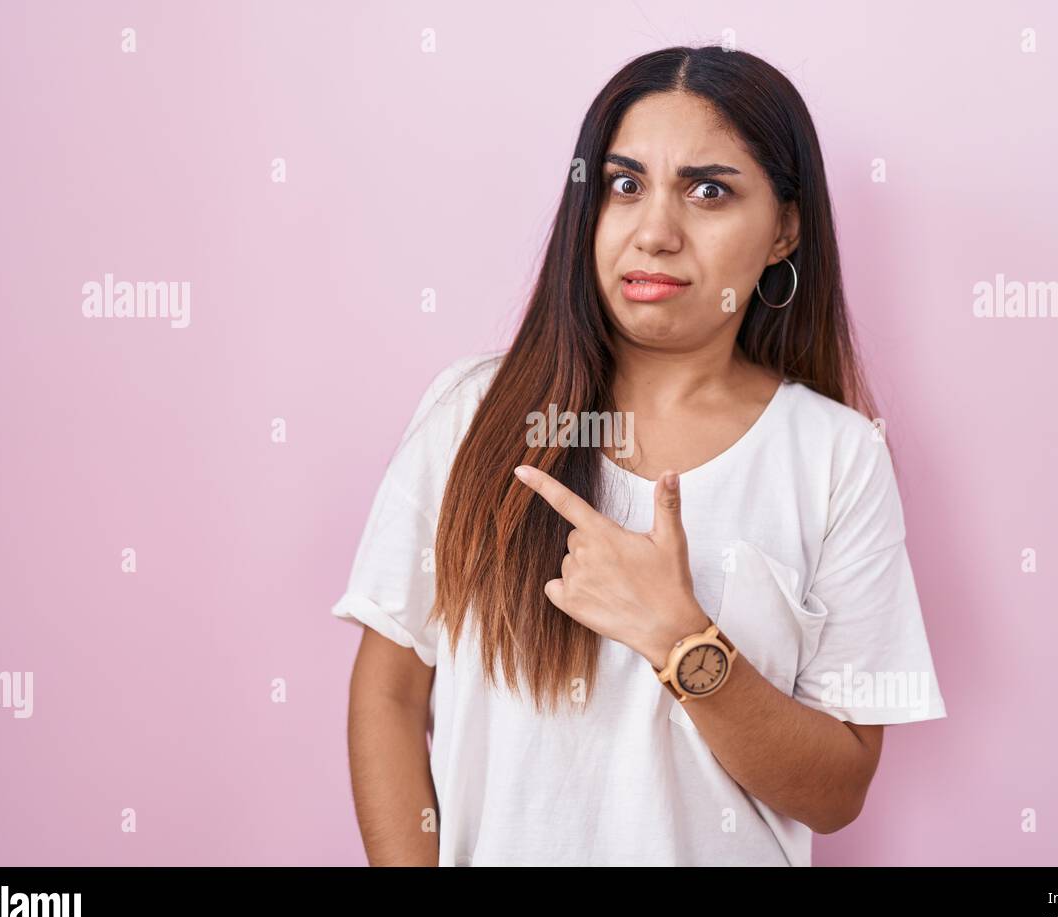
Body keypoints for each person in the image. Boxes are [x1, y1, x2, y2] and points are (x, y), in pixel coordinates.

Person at [332, 44, 946, 866]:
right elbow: (390, 693)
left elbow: (837, 791)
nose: (654, 232)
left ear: (784, 231)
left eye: (709, 191)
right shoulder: (471, 413)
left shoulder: (837, 456)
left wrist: (683, 641)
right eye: (625, 186)